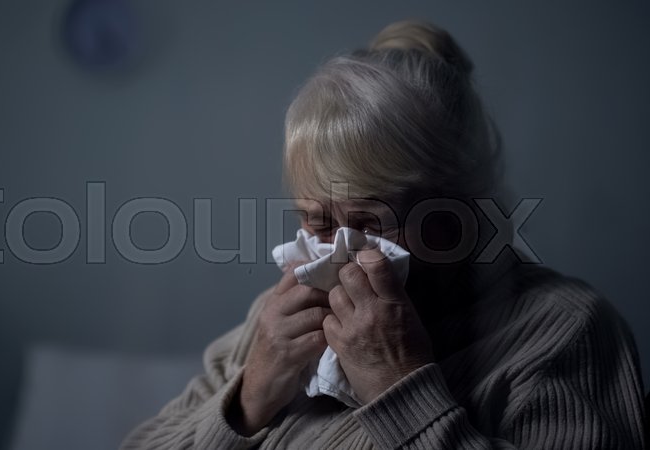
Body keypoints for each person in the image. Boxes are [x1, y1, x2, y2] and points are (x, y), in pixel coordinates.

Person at [120, 20, 646, 449]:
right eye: (318, 222)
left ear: (458, 213)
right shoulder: (280, 318)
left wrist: (400, 388)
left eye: (370, 223)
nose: (341, 253)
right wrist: (248, 400)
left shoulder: (563, 329)